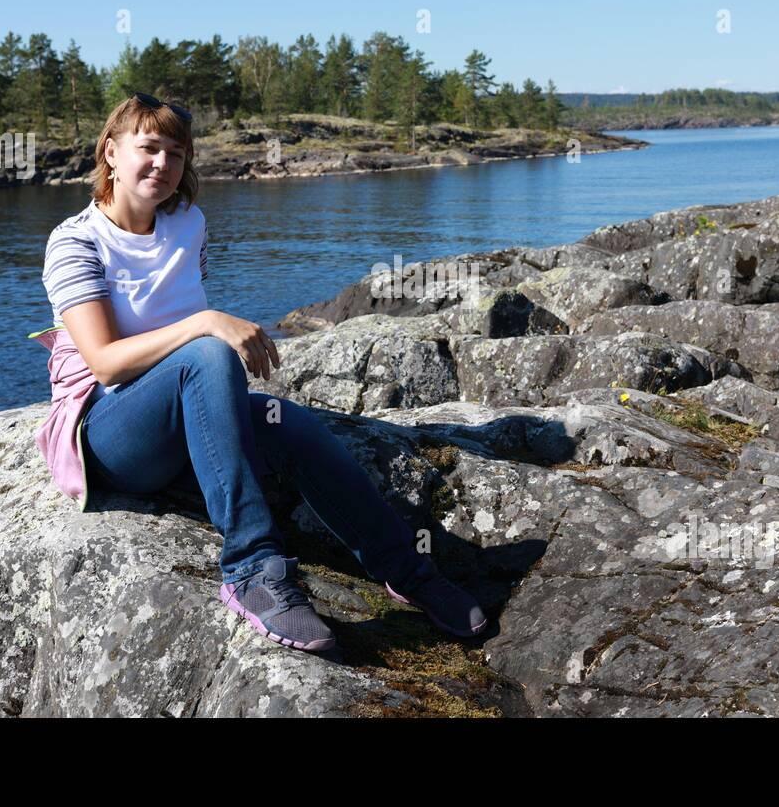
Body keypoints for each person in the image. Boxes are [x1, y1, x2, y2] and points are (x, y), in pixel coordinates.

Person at [39, 93, 487, 652]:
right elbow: (105, 362)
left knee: (293, 426)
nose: (161, 164)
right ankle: (252, 569)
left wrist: (201, 336)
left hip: (180, 422)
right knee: (207, 351)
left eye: (175, 153)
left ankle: (409, 571)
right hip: (110, 437)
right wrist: (206, 324)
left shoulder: (188, 223)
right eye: (147, 148)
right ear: (110, 151)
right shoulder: (76, 241)